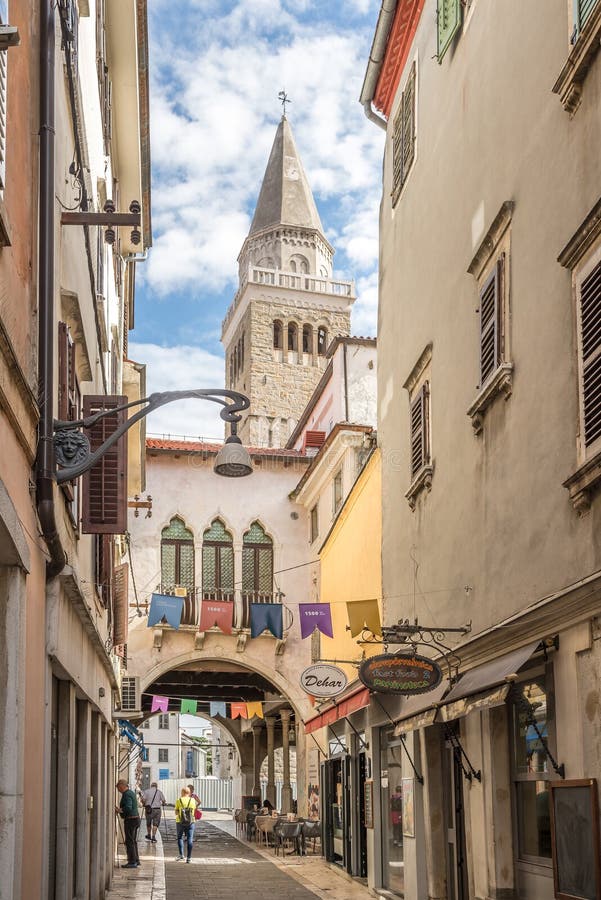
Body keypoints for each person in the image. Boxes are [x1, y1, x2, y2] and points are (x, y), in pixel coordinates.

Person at [116, 779, 141, 868]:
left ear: (122, 786)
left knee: (129, 841)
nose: (118, 790)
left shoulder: (126, 794)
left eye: (118, 788)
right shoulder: (130, 793)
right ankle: (136, 860)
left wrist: (120, 810)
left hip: (131, 820)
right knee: (133, 841)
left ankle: (132, 861)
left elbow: (128, 807)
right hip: (135, 819)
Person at [175, 786, 197, 863]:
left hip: (180, 822)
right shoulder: (193, 800)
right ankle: (189, 858)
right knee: (190, 839)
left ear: (183, 792)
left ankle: (181, 855)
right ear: (189, 793)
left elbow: (176, 812)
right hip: (191, 821)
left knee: (180, 837)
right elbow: (194, 810)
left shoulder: (178, 800)